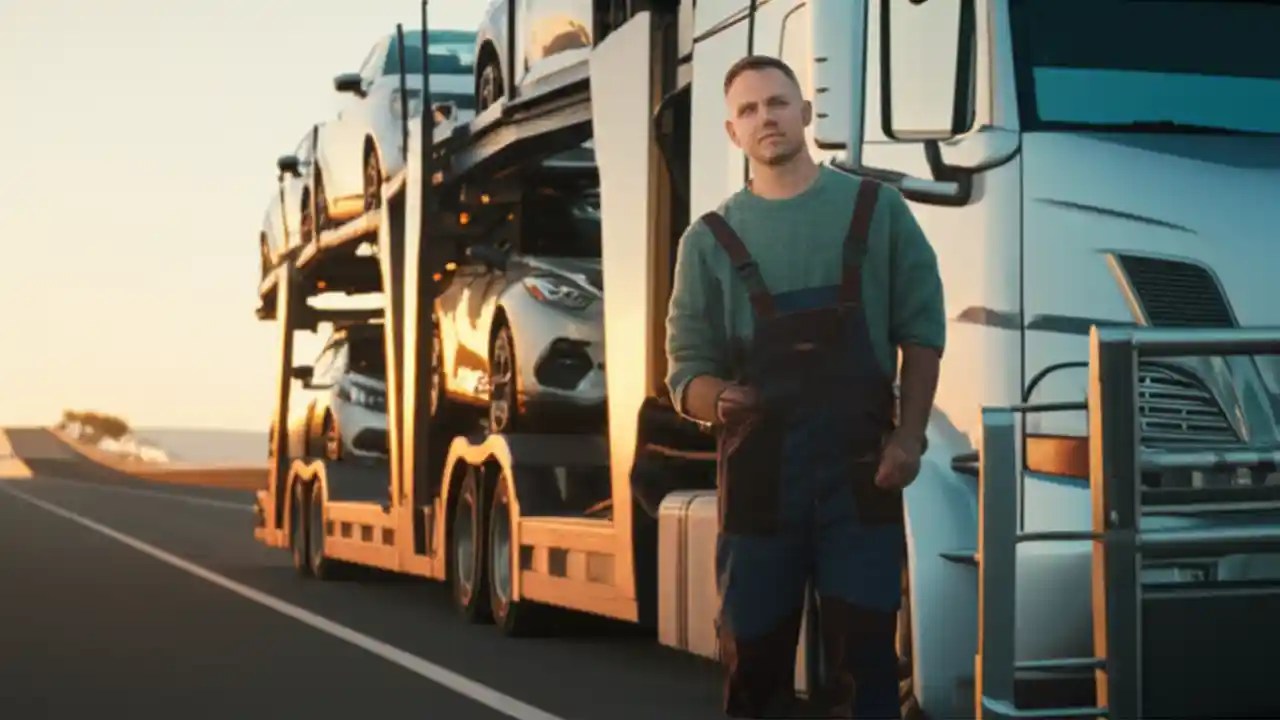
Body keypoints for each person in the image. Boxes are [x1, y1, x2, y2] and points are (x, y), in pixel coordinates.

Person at [663, 55, 945, 718]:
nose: (766, 117)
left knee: (866, 667)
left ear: (806, 112)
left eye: (778, 102)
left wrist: (909, 440)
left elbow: (922, 333)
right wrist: (719, 400)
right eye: (749, 109)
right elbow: (685, 372)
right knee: (754, 667)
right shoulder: (708, 241)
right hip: (760, 483)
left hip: (862, 478)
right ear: (732, 132)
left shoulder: (878, 210)